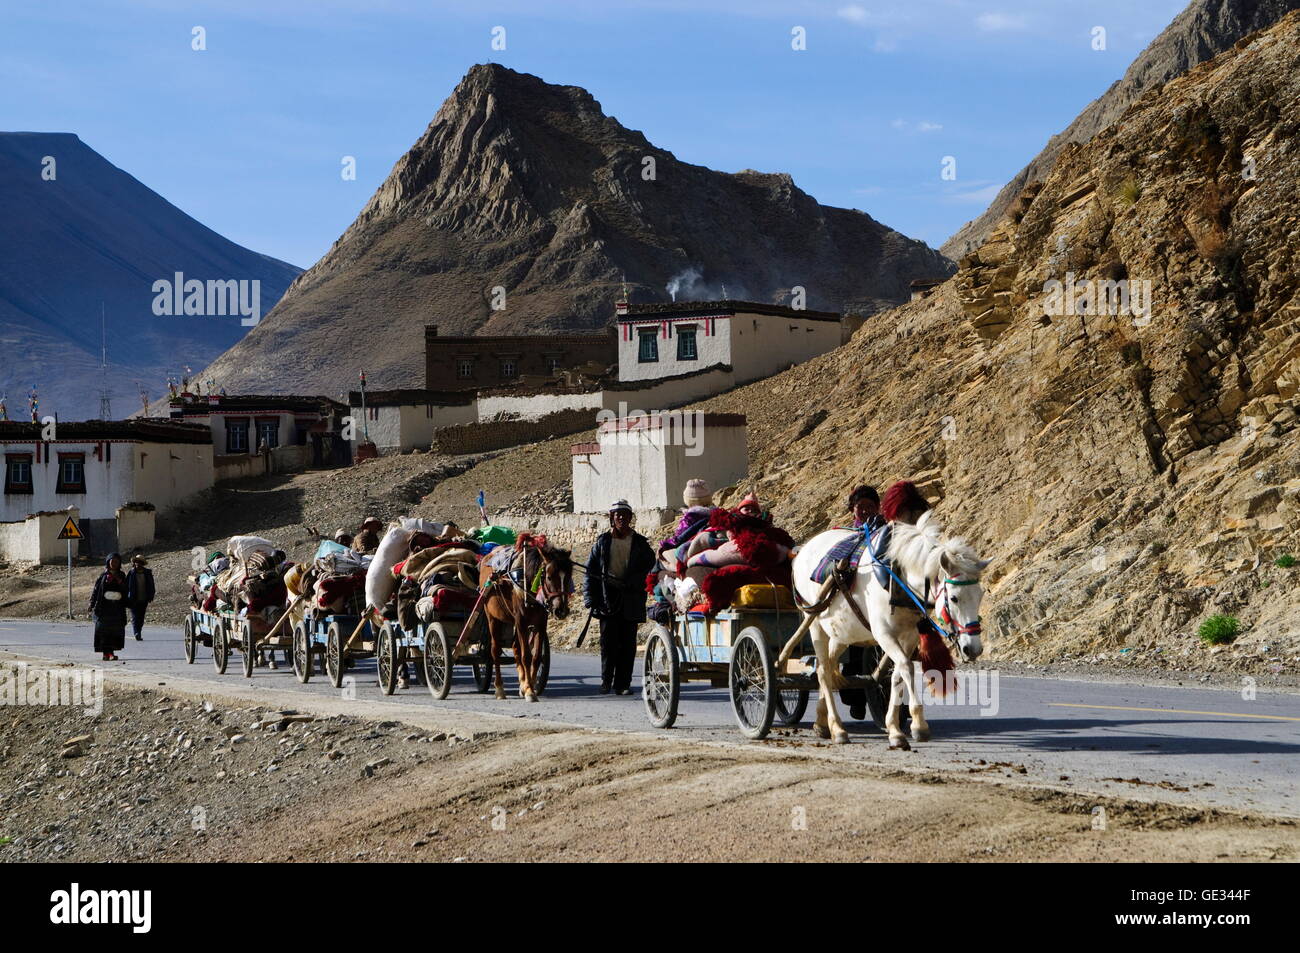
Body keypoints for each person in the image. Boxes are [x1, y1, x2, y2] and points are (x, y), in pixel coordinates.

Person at [584, 500, 656, 695]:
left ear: (630, 518)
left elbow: (650, 568)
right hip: (608, 599)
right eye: (618, 515)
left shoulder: (640, 543)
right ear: (612, 518)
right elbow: (591, 571)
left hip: (631, 599)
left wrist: (635, 580)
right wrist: (590, 597)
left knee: (628, 644)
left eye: (625, 515)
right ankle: (606, 681)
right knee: (608, 644)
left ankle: (623, 684)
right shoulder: (602, 542)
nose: (621, 519)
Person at [841, 485, 883, 721]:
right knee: (855, 657)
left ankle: (890, 705)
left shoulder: (886, 533)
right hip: (853, 604)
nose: (866, 511)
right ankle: (856, 701)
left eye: (870, 506)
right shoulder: (845, 537)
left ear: (878, 508)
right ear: (852, 511)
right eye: (861, 507)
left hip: (881, 605)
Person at [89, 553, 129, 661]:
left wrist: (120, 582)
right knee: (103, 631)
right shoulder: (103, 576)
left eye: (116, 562)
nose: (114, 564)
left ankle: (110, 652)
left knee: (115, 631)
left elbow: (126, 590)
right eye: (112, 561)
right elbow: (96, 591)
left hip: (117, 608)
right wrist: (91, 604)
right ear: (108, 562)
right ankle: (107, 653)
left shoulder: (122, 576)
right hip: (104, 608)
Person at [125, 554, 156, 641]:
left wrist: (151, 595)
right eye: (136, 562)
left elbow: (151, 585)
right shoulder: (131, 573)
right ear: (134, 563)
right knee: (135, 617)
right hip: (133, 599)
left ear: (142, 563)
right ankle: (136, 632)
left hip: (144, 598)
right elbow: (126, 585)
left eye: (139, 562)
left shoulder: (147, 573)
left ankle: (139, 631)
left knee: (141, 617)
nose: (137, 564)